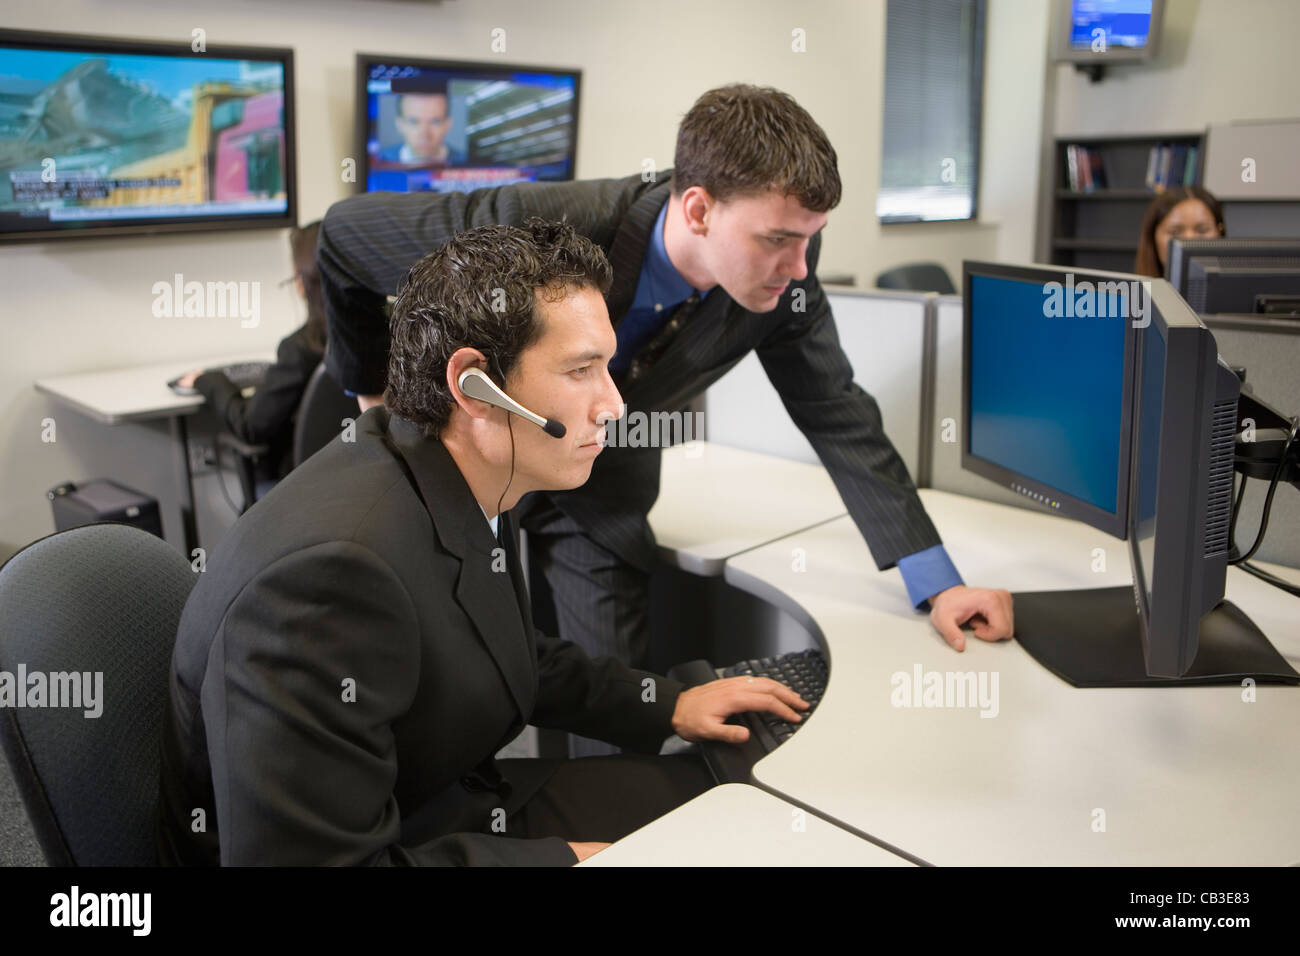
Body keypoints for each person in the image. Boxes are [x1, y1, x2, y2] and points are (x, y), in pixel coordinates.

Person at [319, 84, 1014, 755]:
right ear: (699, 208)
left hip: (599, 482)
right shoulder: (534, 227)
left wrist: (938, 579)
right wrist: (375, 393)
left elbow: (833, 407)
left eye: (809, 240)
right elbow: (344, 239)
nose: (798, 268)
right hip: (474, 462)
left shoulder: (784, 273)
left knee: (623, 707)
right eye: (777, 238)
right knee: (444, 669)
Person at [156, 218, 805, 866]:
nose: (614, 406)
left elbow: (499, 648)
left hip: (452, 805)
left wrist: (667, 703)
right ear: (475, 387)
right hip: (401, 841)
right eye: (581, 370)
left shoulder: (462, 468)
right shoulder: (330, 580)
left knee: (735, 805)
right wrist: (560, 861)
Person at [176, 221, 327, 493]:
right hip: (365, 486)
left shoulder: (301, 349)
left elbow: (252, 427)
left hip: (300, 492)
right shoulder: (386, 331)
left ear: (302, 283)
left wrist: (209, 381)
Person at [1134, 185, 1226, 278]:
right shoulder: (1132, 291)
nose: (1190, 240)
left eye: (1202, 230)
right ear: (1153, 236)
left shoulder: (1238, 291)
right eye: (1175, 232)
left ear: (1219, 232)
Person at [378, 90, 466, 166]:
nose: (424, 135)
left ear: (447, 124)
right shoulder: (381, 159)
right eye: (414, 122)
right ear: (399, 124)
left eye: (435, 121)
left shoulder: (464, 160)